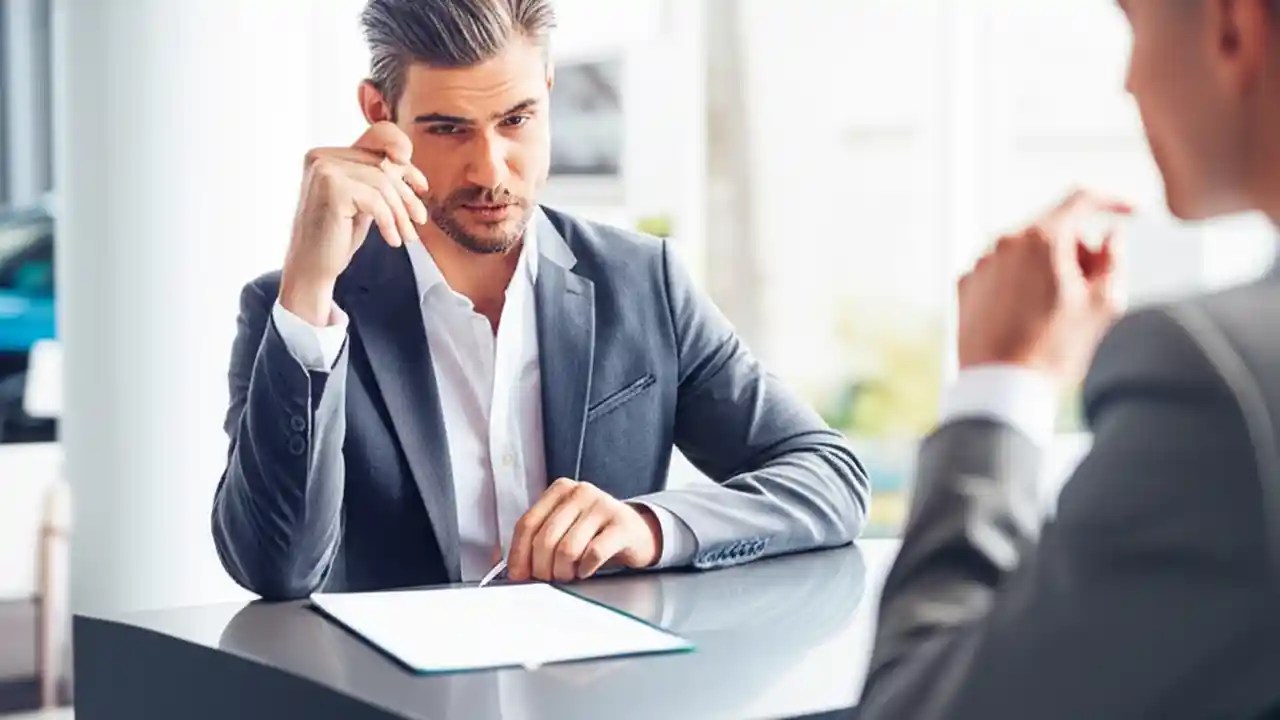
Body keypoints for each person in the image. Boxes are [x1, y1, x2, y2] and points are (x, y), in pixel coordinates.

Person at [211, 0, 870, 600]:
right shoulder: (296, 308)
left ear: (549, 89)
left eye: (517, 119)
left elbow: (827, 476)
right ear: (380, 116)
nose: (491, 170)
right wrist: (309, 291)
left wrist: (650, 526)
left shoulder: (643, 283)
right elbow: (276, 568)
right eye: (447, 129)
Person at [858, 1, 1280, 717]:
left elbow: (918, 706)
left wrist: (1001, 380)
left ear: (1232, 29)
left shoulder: (1219, 383)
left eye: (1133, 27)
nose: (1129, 82)